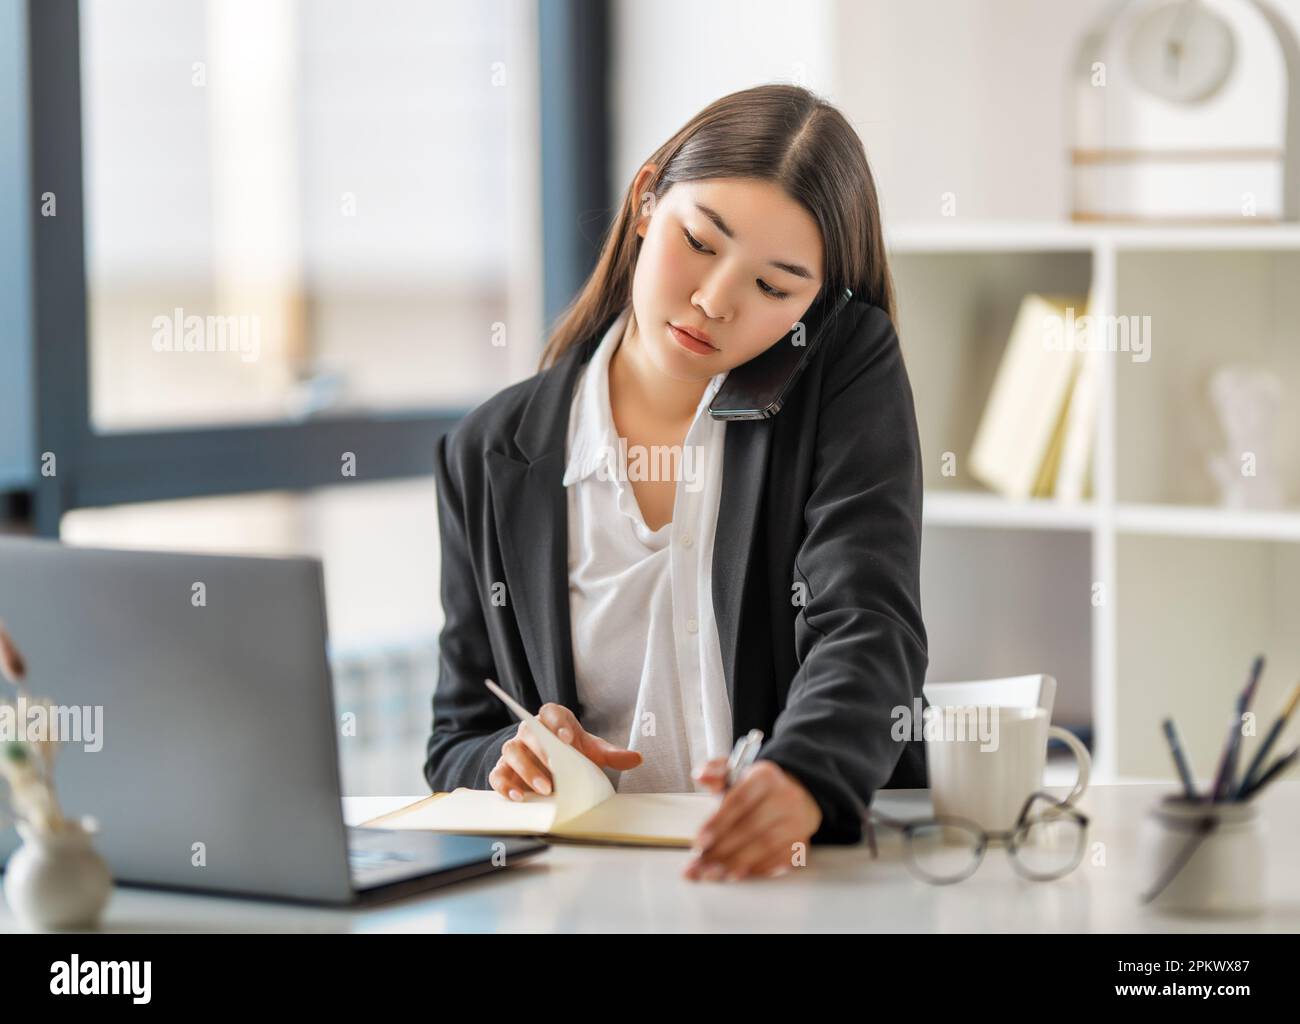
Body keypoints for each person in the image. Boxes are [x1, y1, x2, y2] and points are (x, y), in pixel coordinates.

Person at [426, 83, 928, 882]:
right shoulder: (490, 450)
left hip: (801, 880)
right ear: (645, 200)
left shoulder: (841, 371)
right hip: (587, 890)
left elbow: (868, 623)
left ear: (815, 305)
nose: (714, 301)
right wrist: (509, 757)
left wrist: (801, 778)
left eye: (774, 287)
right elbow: (458, 738)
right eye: (699, 241)